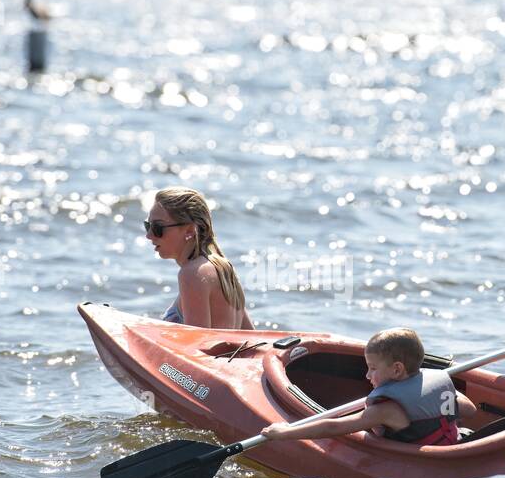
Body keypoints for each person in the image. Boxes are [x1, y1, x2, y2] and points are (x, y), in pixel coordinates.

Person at [261, 327, 476, 445]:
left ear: (397, 369)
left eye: (372, 368)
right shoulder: (436, 382)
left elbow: (333, 427)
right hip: (456, 440)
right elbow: (469, 409)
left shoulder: (385, 410)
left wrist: (285, 432)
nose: (367, 374)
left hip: (425, 461)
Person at [145, 186, 253, 329]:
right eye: (148, 226)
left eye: (158, 228)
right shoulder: (224, 268)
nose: (149, 235)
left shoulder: (193, 273)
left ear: (189, 230)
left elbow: (197, 343)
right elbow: (252, 338)